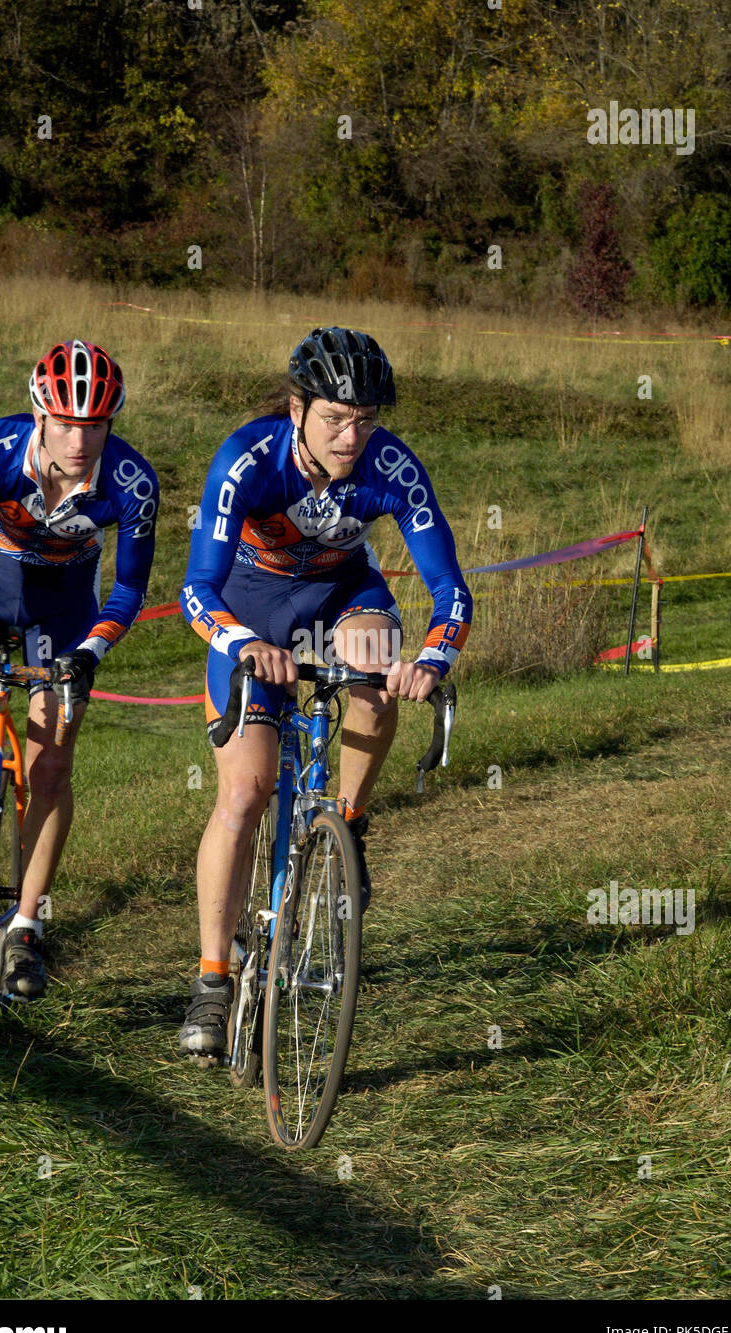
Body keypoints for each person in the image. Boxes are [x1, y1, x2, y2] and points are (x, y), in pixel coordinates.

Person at [178, 325, 472, 1059]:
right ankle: (213, 979)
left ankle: (349, 822)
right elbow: (196, 588)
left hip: (343, 593)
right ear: (296, 409)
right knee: (244, 794)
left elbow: (450, 588)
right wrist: (243, 644)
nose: (351, 437)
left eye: (365, 420)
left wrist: (431, 658)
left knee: (374, 669)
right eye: (336, 418)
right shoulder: (247, 459)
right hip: (250, 603)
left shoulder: (391, 466)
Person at [0, 339, 159, 999]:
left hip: (62, 613)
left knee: (49, 766)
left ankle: (25, 927)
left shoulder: (131, 483)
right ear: (40, 415)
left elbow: (129, 589)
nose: (81, 441)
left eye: (96, 425)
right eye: (67, 423)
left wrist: (91, 651)